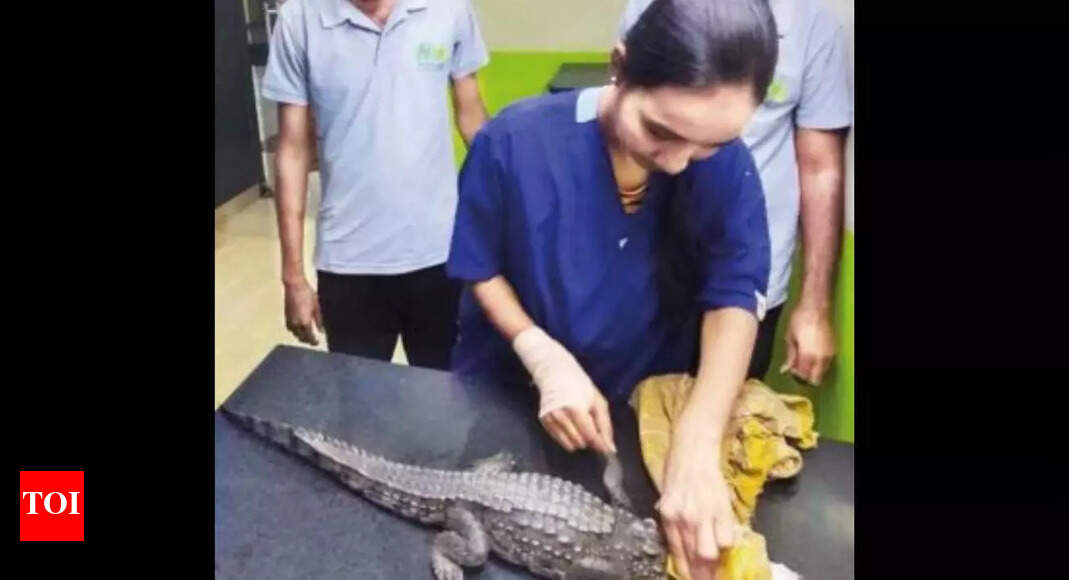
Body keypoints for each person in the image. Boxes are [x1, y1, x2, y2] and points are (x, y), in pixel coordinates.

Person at [445, 1, 777, 578]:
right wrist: (539, 353)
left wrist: (696, 443)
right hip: (506, 402)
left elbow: (735, 291)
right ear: (619, 68)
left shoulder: (724, 165)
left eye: (708, 144)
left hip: (630, 413)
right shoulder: (513, 143)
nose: (678, 163)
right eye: (659, 131)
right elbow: (479, 265)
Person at [622, 0, 853, 385]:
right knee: (638, 414)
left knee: (727, 418)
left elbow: (821, 168)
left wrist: (815, 306)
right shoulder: (651, 9)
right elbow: (628, 123)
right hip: (653, 268)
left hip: (752, 272)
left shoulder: (811, 26)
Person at [262, 0, 490, 369]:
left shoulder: (449, 9)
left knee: (449, 409)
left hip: (441, 255)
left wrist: (510, 222)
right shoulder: (300, 17)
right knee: (357, 413)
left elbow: (473, 119)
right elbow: (292, 151)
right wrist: (293, 277)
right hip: (349, 262)